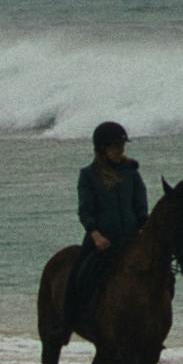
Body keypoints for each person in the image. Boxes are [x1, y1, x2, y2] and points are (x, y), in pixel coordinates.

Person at [68, 118, 148, 327]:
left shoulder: (131, 172)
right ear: (103, 149)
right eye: (116, 146)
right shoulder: (89, 175)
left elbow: (140, 205)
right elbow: (85, 210)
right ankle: (68, 320)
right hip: (102, 240)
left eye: (122, 145)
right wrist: (96, 235)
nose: (121, 150)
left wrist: (143, 228)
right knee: (79, 274)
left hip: (130, 238)